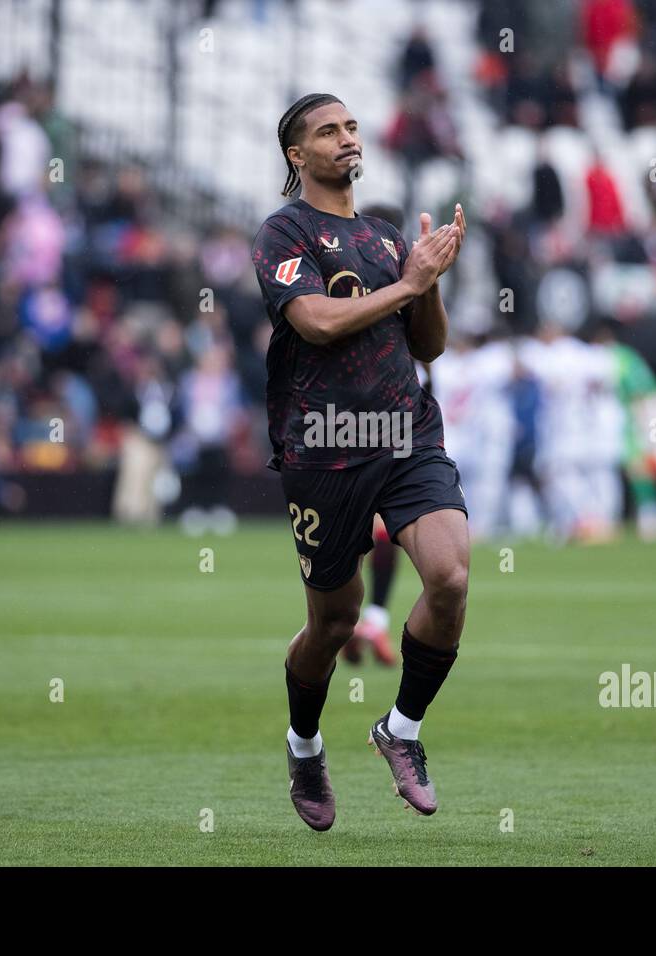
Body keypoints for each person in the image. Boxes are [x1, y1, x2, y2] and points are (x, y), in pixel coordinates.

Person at [251, 94, 471, 830]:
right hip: (324, 446)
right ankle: (304, 744)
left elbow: (428, 346)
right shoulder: (283, 232)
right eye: (327, 131)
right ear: (297, 154)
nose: (346, 139)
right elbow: (313, 324)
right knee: (335, 624)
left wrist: (426, 280)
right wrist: (408, 285)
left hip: (405, 432)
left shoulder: (382, 238)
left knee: (450, 575)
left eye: (350, 126)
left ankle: (400, 731)